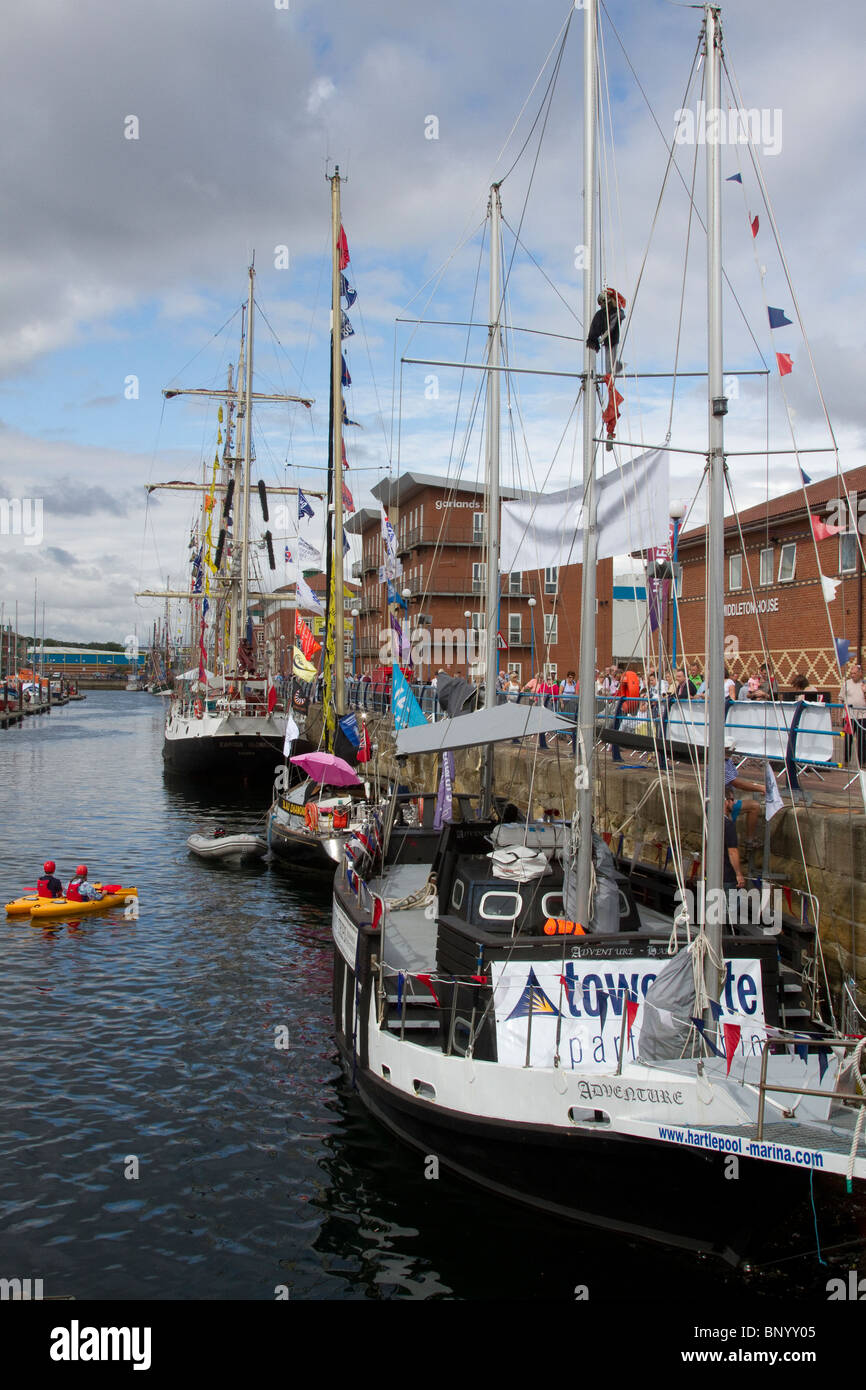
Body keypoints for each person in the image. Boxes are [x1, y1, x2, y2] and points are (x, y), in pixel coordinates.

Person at [723, 737, 763, 847]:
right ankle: (749, 841)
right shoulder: (720, 764)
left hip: (729, 799)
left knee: (753, 806)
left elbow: (736, 780)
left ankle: (749, 840)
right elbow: (737, 783)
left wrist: (755, 785)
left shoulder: (728, 761)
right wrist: (760, 788)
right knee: (754, 806)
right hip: (720, 803)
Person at [840, 661, 866, 763]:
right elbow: (841, 699)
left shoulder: (864, 684)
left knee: (862, 740)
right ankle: (846, 760)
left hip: (862, 716)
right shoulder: (846, 684)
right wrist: (840, 714)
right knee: (848, 739)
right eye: (851, 673)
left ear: (860, 673)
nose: (853, 675)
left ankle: (862, 761)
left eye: (855, 673)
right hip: (849, 716)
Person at [723, 788, 747, 892]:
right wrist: (738, 874)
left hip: (711, 875)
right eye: (732, 800)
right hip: (727, 877)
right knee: (731, 907)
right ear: (726, 802)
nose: (734, 802)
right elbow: (732, 851)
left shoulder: (709, 821)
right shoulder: (728, 825)